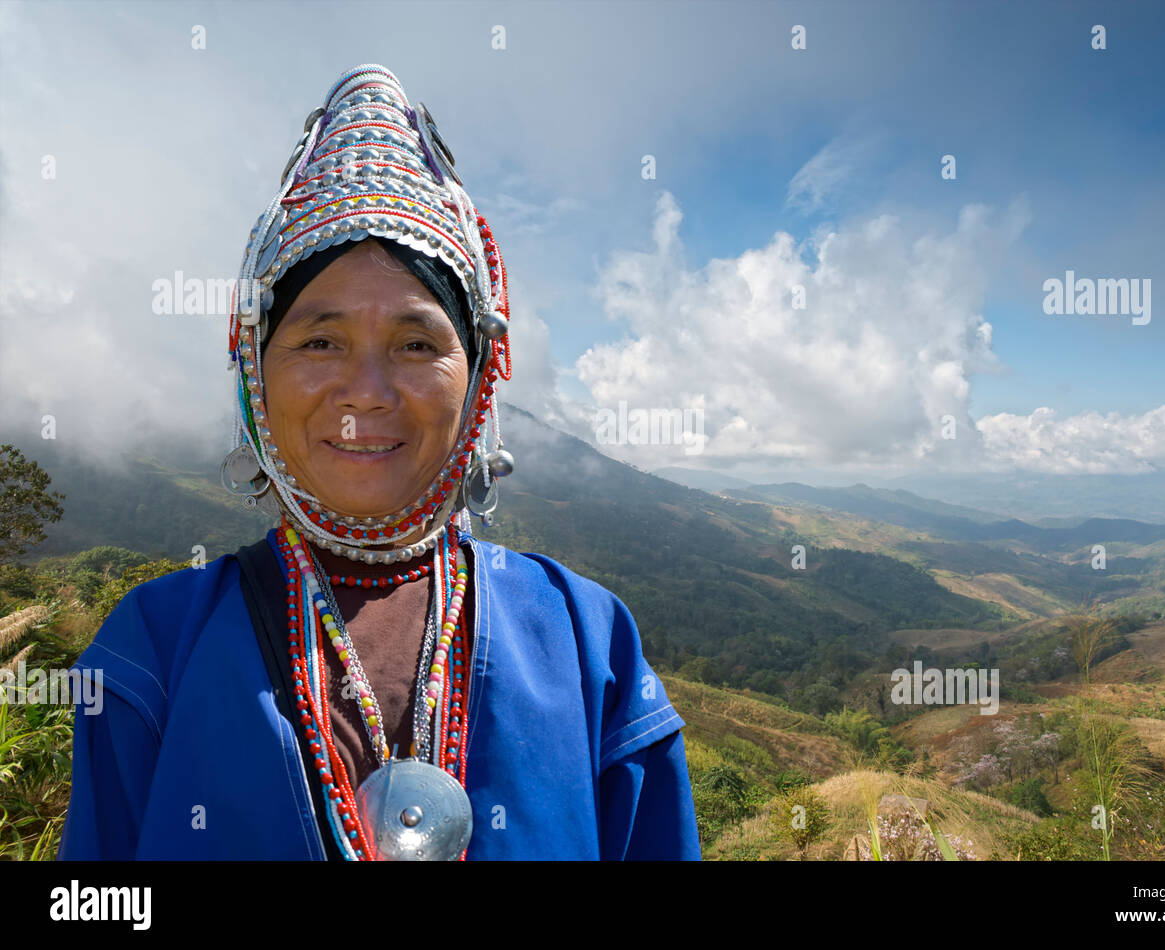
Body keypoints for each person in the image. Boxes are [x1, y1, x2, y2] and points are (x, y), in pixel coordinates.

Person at [57, 64, 699, 861]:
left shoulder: (590, 646)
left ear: (480, 377)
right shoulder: (150, 654)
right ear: (255, 371)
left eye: (417, 343)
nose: (365, 393)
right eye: (319, 341)